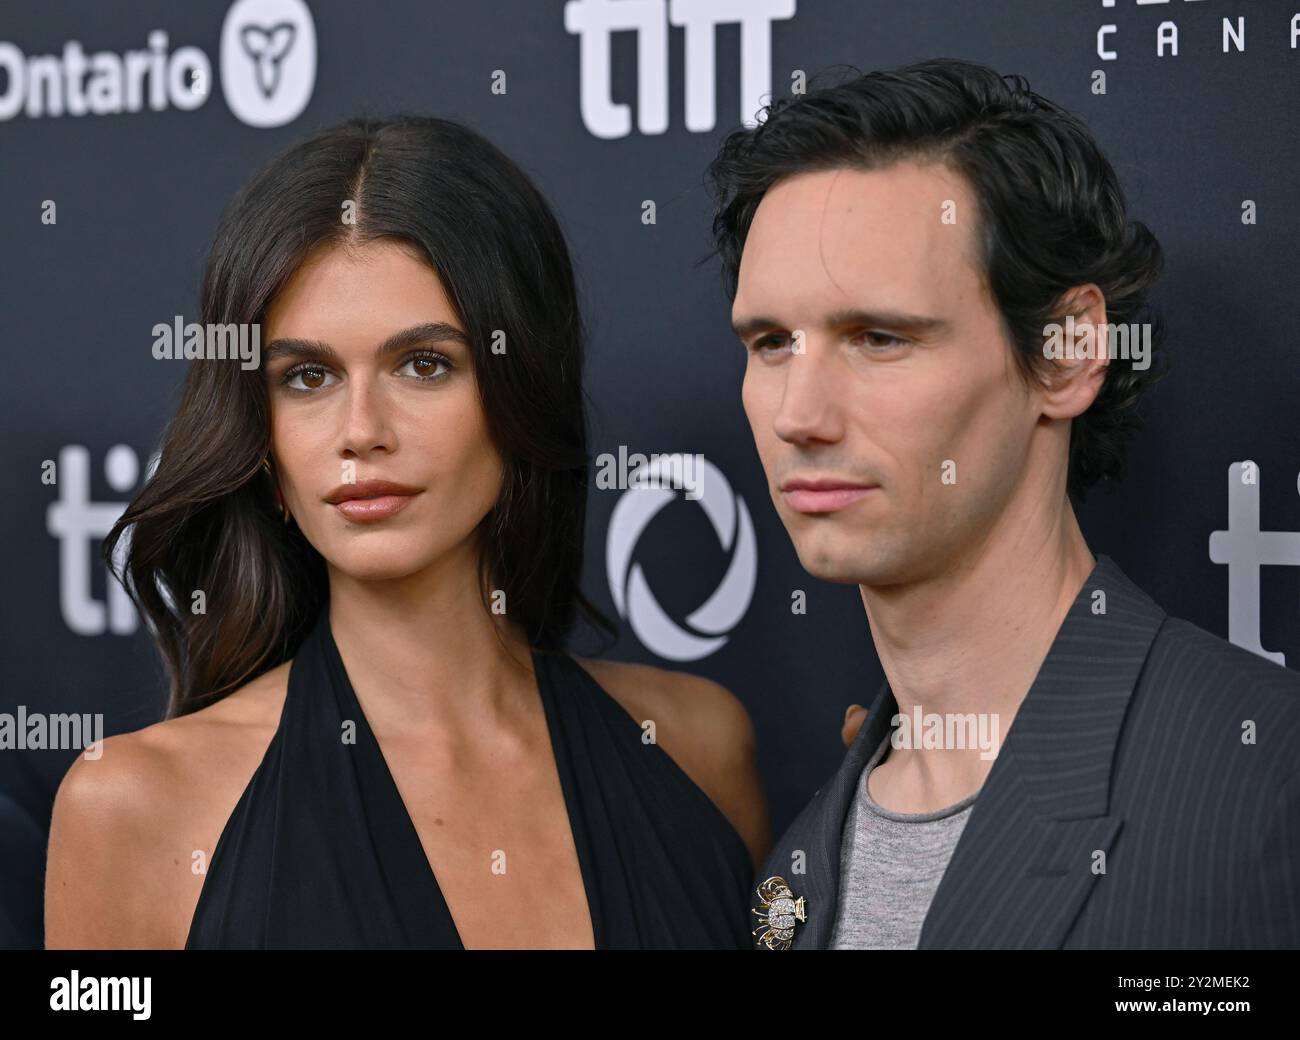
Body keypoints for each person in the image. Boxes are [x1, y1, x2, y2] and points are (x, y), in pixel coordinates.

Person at [45, 115, 770, 950]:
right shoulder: (134, 807)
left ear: (518, 390)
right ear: (261, 437)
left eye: (424, 364)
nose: (362, 429)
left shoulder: (699, 747)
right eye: (307, 376)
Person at [706, 58, 1300, 949]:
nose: (799, 416)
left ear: (1066, 354)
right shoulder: (796, 868)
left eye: (877, 338)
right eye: (771, 342)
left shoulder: (1268, 783)